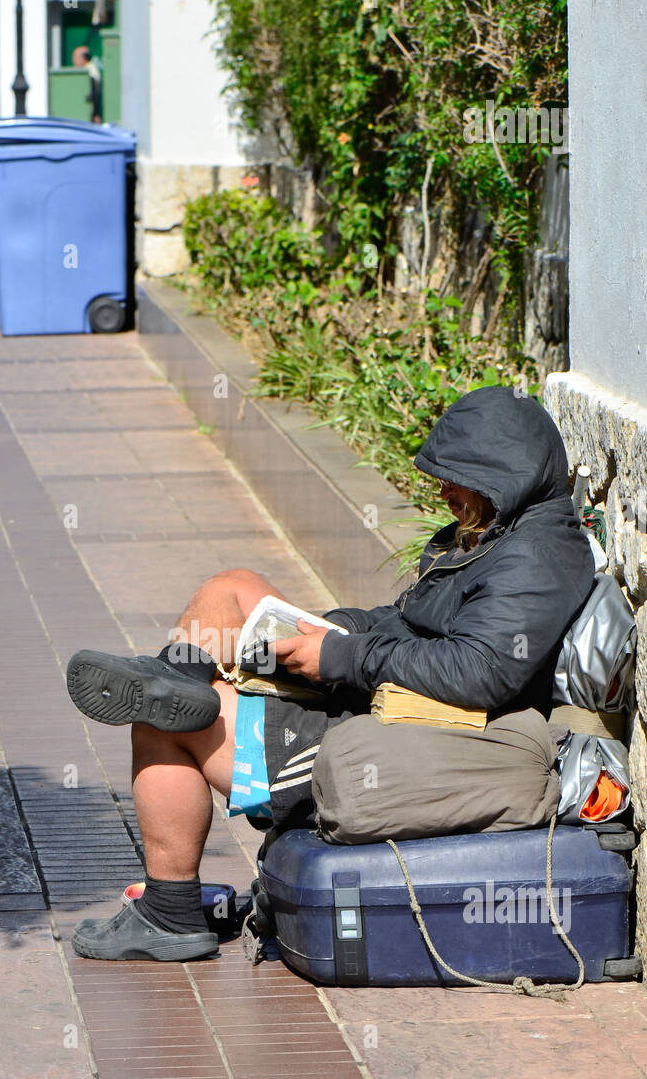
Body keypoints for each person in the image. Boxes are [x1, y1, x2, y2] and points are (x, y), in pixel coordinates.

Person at [66, 386, 596, 962]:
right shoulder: (495, 532)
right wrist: (331, 630)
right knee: (230, 589)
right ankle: (176, 682)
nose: (442, 489)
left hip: (413, 730)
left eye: (455, 477)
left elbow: (481, 672)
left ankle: (168, 913)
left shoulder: (536, 559)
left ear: (501, 475)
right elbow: (409, 620)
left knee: (161, 722)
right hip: (386, 686)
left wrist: (340, 657)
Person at [72, 45, 102, 123]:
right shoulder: (87, 70)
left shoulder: (90, 71)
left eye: (75, 57)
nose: (73, 60)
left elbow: (95, 93)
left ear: (83, 58)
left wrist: (96, 113)